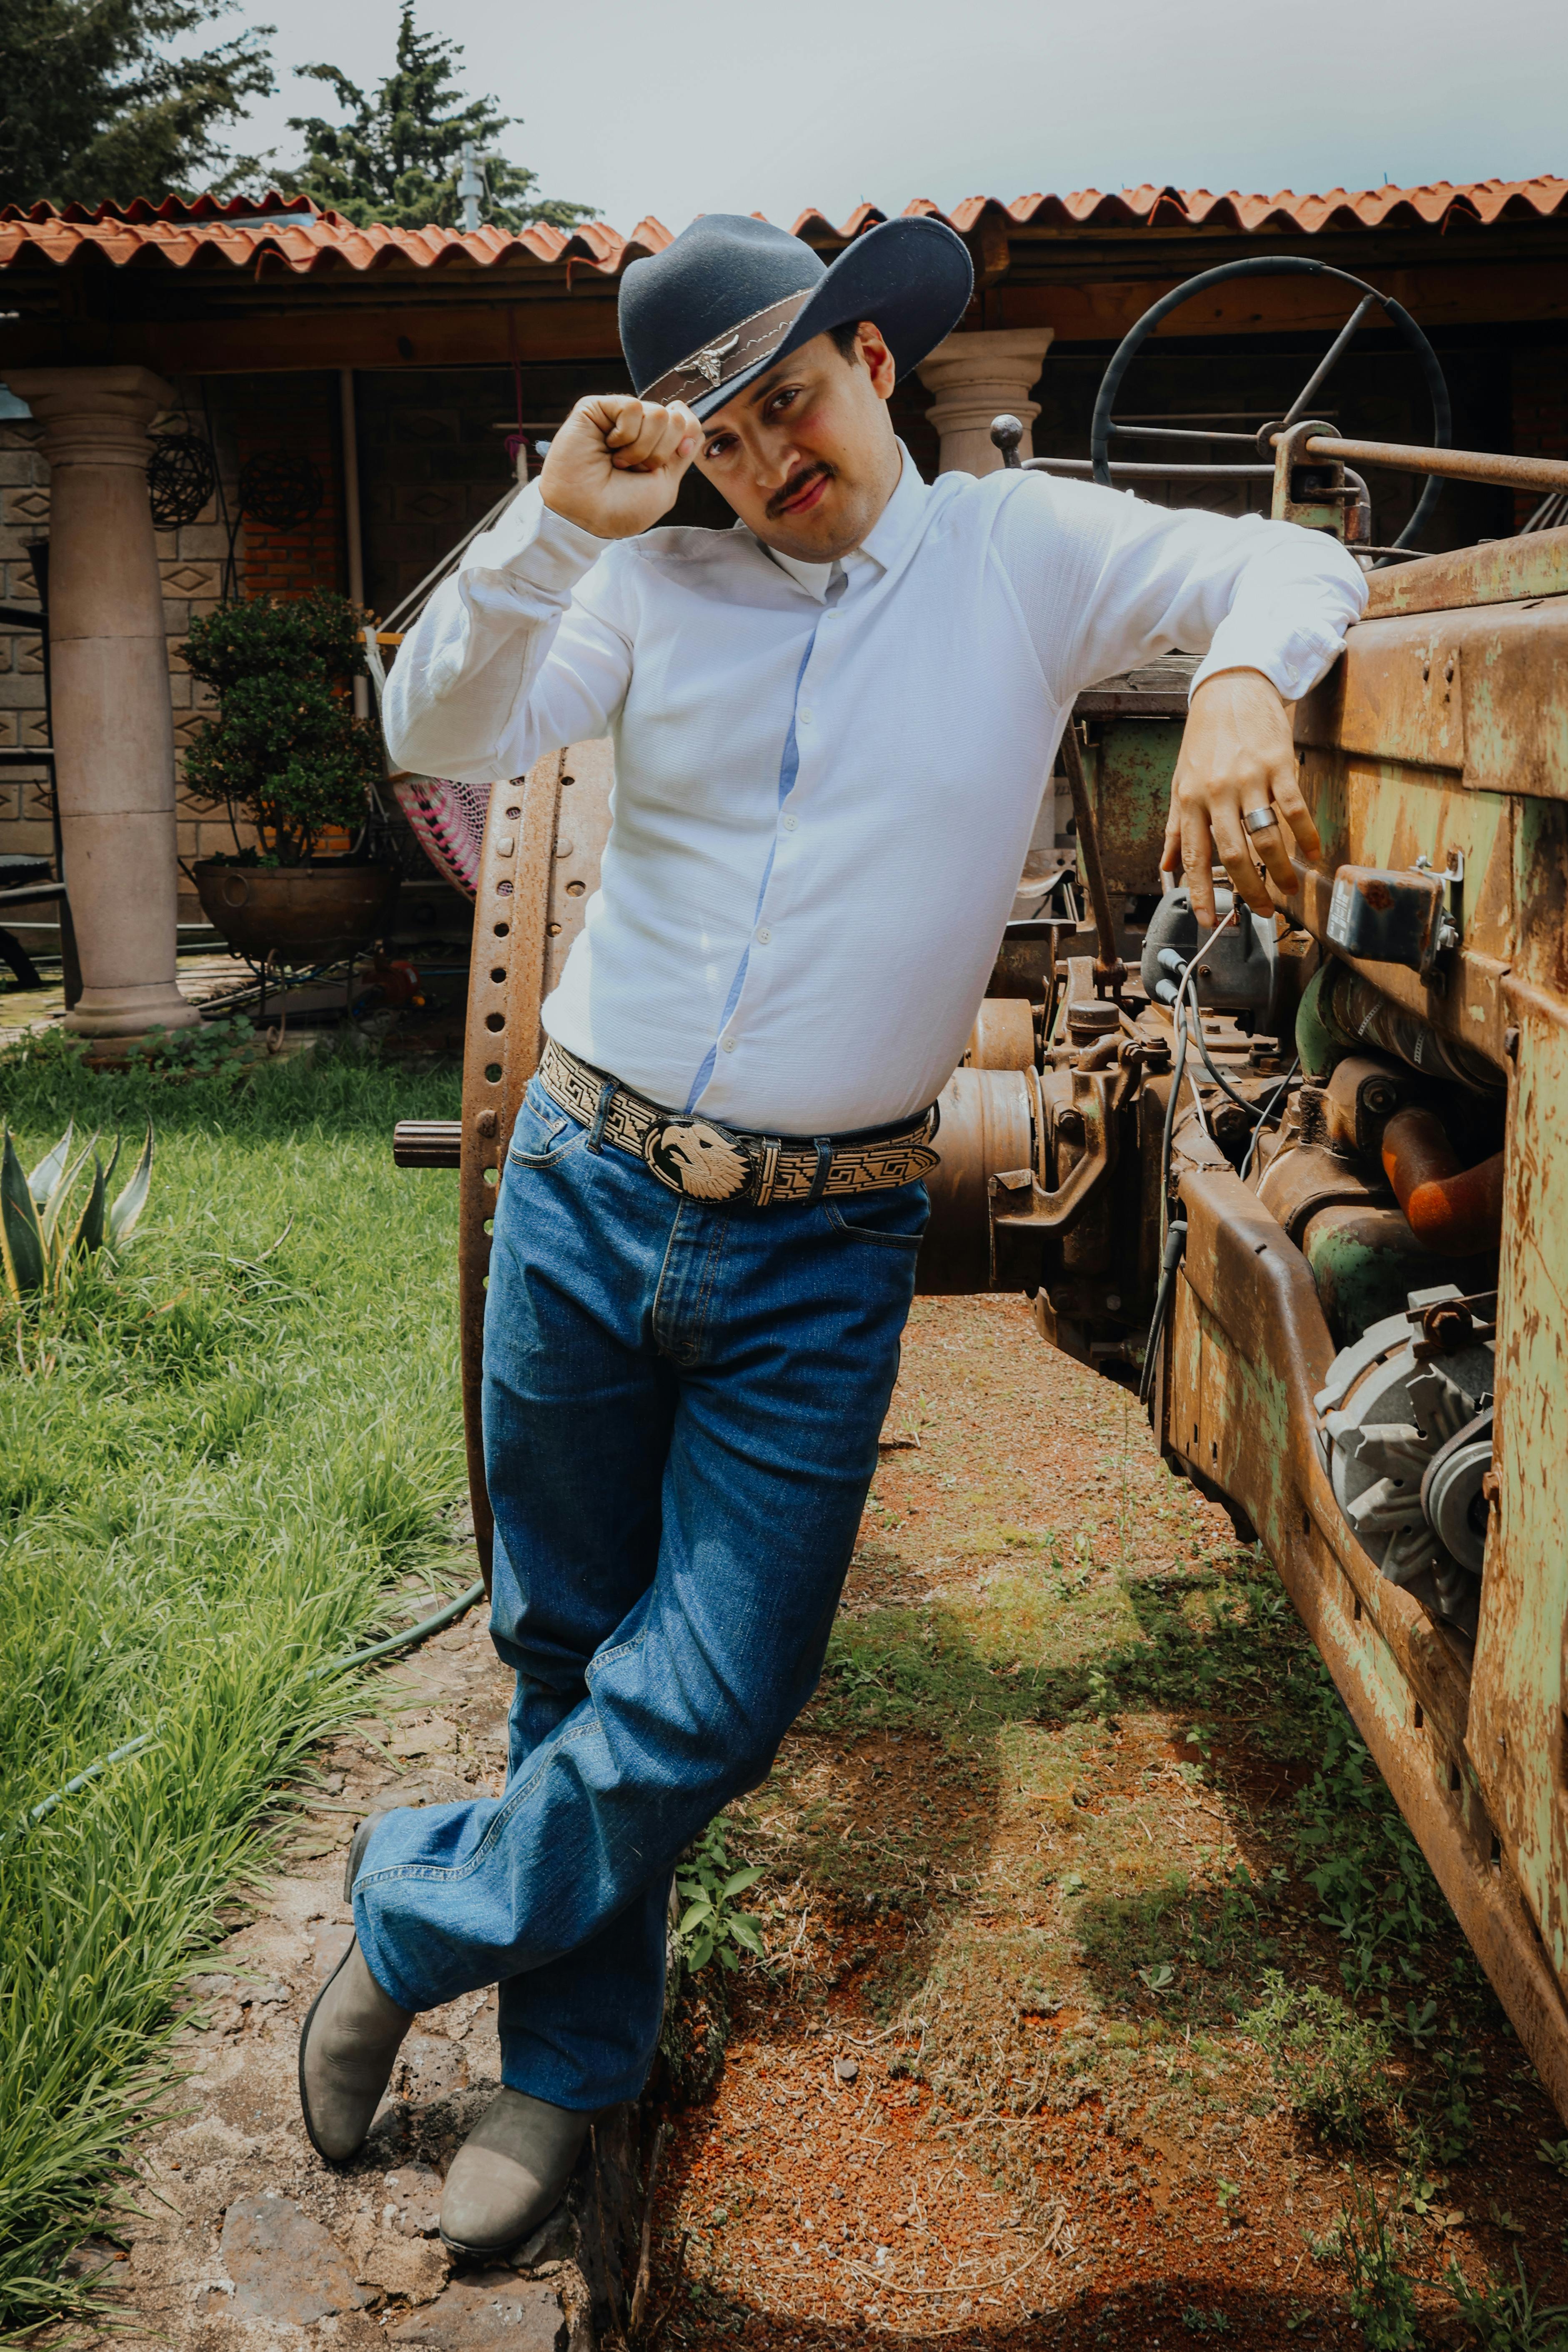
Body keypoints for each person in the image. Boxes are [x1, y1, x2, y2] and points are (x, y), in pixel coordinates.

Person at [298, 212, 1364, 2249]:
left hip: (822, 1239)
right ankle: (566, 2077)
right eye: (724, 441)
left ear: (872, 365)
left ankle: (408, 1914)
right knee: (561, 1647)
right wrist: (552, 522)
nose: (769, 464)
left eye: (788, 405)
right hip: (592, 1187)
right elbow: (438, 732)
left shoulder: (1014, 551)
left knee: (715, 1692)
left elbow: (1285, 557)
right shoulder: (638, 585)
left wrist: (1236, 680)